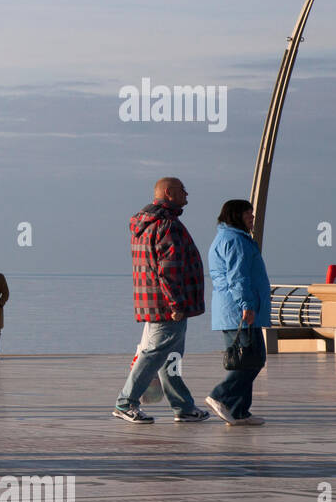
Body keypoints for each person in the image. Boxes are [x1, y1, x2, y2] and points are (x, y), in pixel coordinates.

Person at [112, 177, 209, 424]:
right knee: (154, 354)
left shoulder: (145, 224)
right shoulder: (168, 226)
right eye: (182, 190)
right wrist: (176, 304)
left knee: (171, 357)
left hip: (153, 301)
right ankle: (125, 403)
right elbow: (168, 270)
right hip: (168, 305)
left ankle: (183, 406)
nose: (187, 194)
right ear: (168, 193)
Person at [205, 200, 271, 425]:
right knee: (253, 358)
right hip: (239, 310)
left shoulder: (230, 237)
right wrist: (246, 305)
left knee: (245, 359)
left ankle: (239, 411)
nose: (252, 217)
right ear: (235, 216)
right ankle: (220, 396)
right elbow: (237, 276)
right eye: (247, 214)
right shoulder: (235, 240)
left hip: (232, 309)